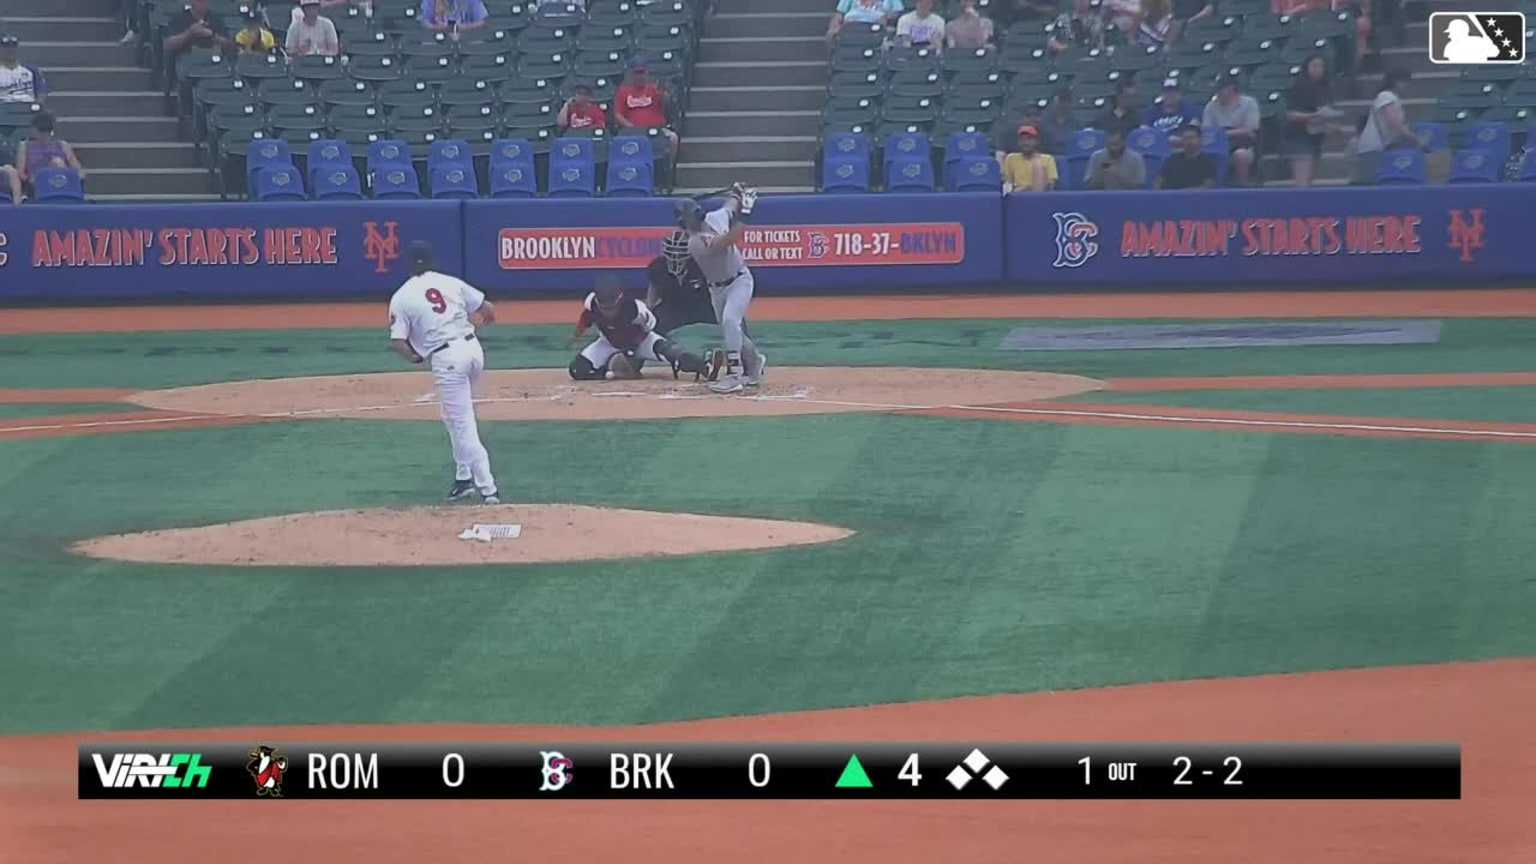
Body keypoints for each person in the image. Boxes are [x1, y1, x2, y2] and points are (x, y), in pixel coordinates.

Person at [387, 241, 500, 505]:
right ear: (431, 261)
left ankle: (489, 489)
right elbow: (488, 309)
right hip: (473, 351)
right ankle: (463, 479)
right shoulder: (450, 282)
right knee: (451, 416)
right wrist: (480, 326)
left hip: (447, 358)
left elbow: (398, 342)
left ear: (409, 264)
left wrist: (414, 357)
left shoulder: (401, 296)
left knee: (463, 423)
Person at [677, 185, 765, 394]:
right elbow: (728, 240)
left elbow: (729, 206)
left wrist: (737, 193)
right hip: (716, 289)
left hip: (739, 280)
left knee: (730, 321)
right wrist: (746, 210)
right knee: (732, 329)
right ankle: (755, 363)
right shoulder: (694, 243)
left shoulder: (716, 218)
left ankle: (734, 375)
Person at [566, 277, 709, 381]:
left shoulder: (635, 309)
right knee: (577, 370)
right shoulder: (592, 303)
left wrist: (631, 350)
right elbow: (586, 318)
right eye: (604, 308)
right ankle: (610, 372)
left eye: (611, 307)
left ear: (619, 299)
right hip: (608, 343)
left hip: (641, 341)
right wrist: (576, 335)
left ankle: (704, 366)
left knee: (673, 353)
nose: (607, 312)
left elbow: (648, 330)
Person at [1352, 69, 1423, 184]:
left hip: (1381, 148)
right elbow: (1393, 122)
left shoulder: (1391, 98)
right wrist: (1414, 138)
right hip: (1374, 148)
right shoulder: (1386, 96)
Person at [1282, 54, 1333, 187]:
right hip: (1298, 137)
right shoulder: (1297, 87)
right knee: (1302, 181)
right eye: (1315, 65)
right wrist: (1313, 116)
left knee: (1311, 178)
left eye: (1321, 66)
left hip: (1316, 137)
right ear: (1307, 67)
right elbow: (1290, 114)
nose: (1318, 69)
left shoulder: (1325, 88)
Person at [1201, 76, 1260, 185]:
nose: (1218, 92)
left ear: (1231, 88)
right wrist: (1220, 136)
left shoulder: (1249, 103)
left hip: (1243, 143)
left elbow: (1250, 129)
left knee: (1240, 155)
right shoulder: (1211, 106)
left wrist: (1224, 134)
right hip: (1217, 143)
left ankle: (1241, 185)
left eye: (1220, 89)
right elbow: (1207, 129)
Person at [614, 59, 679, 156]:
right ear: (631, 74)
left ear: (647, 73)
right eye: (636, 73)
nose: (640, 76)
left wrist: (662, 94)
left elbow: (666, 105)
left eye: (642, 72)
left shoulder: (654, 88)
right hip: (633, 131)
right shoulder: (623, 91)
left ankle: (668, 164)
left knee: (673, 138)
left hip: (656, 129)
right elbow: (618, 114)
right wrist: (630, 127)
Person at [16, 111, 85, 197]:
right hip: (36, 182)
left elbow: (78, 170)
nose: (43, 134)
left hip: (59, 180)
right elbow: (21, 173)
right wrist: (32, 179)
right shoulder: (25, 146)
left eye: (46, 131)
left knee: (57, 162)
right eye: (40, 131)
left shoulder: (62, 145)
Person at [162, 0, 232, 61]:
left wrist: (212, 35)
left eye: (205, 1)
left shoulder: (215, 19)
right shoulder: (179, 19)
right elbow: (168, 45)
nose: (203, 4)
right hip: (185, 60)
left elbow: (228, 44)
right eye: (199, 1)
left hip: (211, 60)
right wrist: (190, 33)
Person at [1157, 123, 1217, 188]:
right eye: (1185, 138)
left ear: (1200, 139)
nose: (1189, 141)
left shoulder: (1207, 161)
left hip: (1197, 194)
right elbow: (1159, 181)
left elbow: (1208, 186)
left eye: (1192, 138)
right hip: (1172, 193)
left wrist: (1187, 192)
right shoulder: (1172, 159)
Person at [1001, 125, 1058, 192]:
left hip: (1040, 195)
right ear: (1018, 142)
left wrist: (1027, 188)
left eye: (1029, 139)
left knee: (1038, 165)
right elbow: (1007, 184)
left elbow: (1051, 185)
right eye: (1022, 139)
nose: (1025, 142)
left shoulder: (1048, 159)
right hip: (1017, 195)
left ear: (1036, 141)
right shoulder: (1011, 158)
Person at [0, 35, 48, 105]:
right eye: (6, 47)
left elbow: (42, 91)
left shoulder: (32, 70)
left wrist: (38, 103)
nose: (10, 50)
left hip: (27, 106)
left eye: (13, 47)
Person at [826, 0, 902, 40]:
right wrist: (833, 28)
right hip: (853, 27)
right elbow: (839, 13)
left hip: (877, 28)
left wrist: (886, 17)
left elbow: (897, 13)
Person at [418, 0, 488, 33]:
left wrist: (465, 27)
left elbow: (482, 22)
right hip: (438, 39)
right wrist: (438, 28)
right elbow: (424, 22)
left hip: (466, 38)